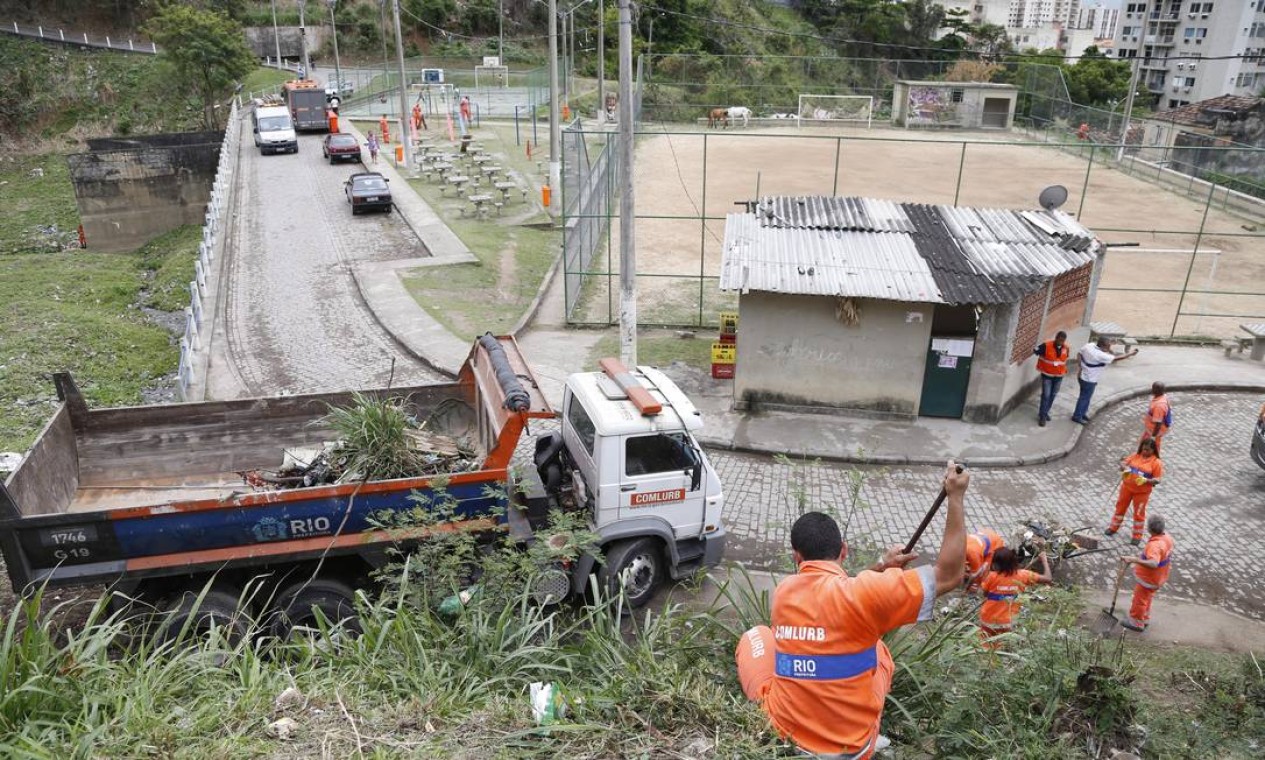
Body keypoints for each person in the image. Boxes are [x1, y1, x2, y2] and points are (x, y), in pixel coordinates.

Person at [735, 462, 969, 759]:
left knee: (758, 635)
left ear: (796, 557)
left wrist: (883, 567)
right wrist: (956, 497)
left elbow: (834, 588)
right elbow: (949, 576)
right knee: (879, 650)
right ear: (843, 550)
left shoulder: (785, 592)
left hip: (787, 734)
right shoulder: (866, 594)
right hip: (854, 748)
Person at [977, 546, 1052, 645]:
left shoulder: (991, 576)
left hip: (988, 621)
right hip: (1007, 623)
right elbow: (1048, 578)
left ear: (996, 565)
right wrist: (1044, 561)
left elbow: (984, 594)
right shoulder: (1024, 575)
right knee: (1002, 644)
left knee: (985, 643)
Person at [1119, 515, 1174, 632]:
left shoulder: (1155, 546)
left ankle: (1136, 622)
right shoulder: (1167, 538)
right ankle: (1145, 618)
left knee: (1139, 600)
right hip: (1158, 577)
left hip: (1148, 579)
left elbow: (1153, 563)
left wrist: (1134, 559)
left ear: (1150, 530)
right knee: (1147, 598)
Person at [1106, 437, 1163, 545]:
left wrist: (1147, 480)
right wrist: (1124, 469)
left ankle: (1137, 535)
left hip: (1141, 493)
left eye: (1147, 450)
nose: (1144, 451)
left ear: (1153, 450)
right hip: (1126, 488)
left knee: (1138, 514)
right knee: (1120, 508)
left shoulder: (1156, 463)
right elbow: (1123, 463)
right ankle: (1113, 527)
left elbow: (1157, 479)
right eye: (1143, 449)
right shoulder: (1135, 456)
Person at [1072, 337, 1138, 424]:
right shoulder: (1100, 355)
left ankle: (1082, 413)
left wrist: (1080, 365)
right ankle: (1077, 416)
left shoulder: (1089, 345)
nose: (1109, 347)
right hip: (1089, 380)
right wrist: (1130, 354)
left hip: (1082, 375)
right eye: (1108, 346)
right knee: (1084, 398)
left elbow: (1079, 353)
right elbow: (1117, 358)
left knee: (1086, 398)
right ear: (1103, 345)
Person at [1033, 331, 1070, 427]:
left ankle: (1045, 412)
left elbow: (1064, 360)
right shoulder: (1046, 346)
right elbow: (1036, 351)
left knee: (1053, 395)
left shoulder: (1066, 348)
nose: (1060, 342)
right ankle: (1042, 417)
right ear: (1056, 338)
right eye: (1059, 340)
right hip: (1047, 376)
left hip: (1059, 376)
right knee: (1046, 395)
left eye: (1063, 341)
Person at [1142, 382, 1172, 454]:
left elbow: (1158, 424)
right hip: (1151, 429)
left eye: (1153, 388)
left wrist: (1153, 437)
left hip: (1154, 430)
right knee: (1145, 442)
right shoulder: (1163, 396)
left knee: (1151, 445)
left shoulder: (1159, 406)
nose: (1151, 390)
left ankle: (1152, 458)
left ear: (1156, 391)